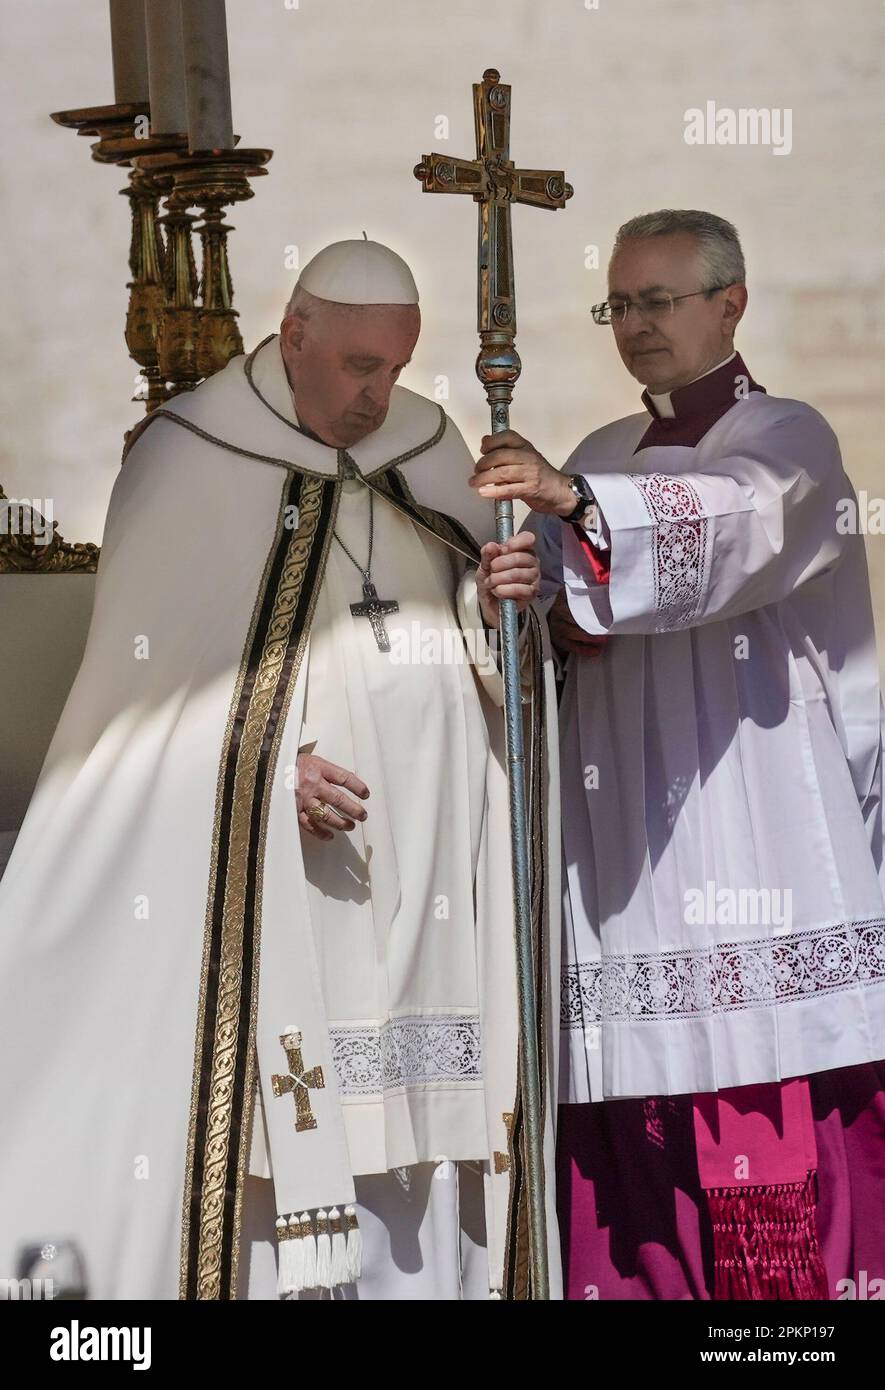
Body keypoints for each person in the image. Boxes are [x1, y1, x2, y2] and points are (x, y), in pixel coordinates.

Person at [0, 239, 562, 1300]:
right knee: (312, 1121)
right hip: (289, 878)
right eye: (356, 365)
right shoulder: (192, 452)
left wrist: (494, 605)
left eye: (394, 367)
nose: (376, 394)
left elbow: (484, 641)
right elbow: (144, 701)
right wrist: (265, 770)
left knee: (426, 1127)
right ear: (292, 331)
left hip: (436, 854)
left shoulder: (431, 447)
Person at [469, 209, 885, 1300]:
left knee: (754, 1094)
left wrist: (571, 504)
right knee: (634, 1107)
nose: (636, 326)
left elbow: (743, 525)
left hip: (754, 834)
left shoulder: (787, 439)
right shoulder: (601, 455)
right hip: (625, 860)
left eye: (661, 300)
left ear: (730, 304)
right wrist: (525, 605)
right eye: (621, 304)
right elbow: (568, 628)